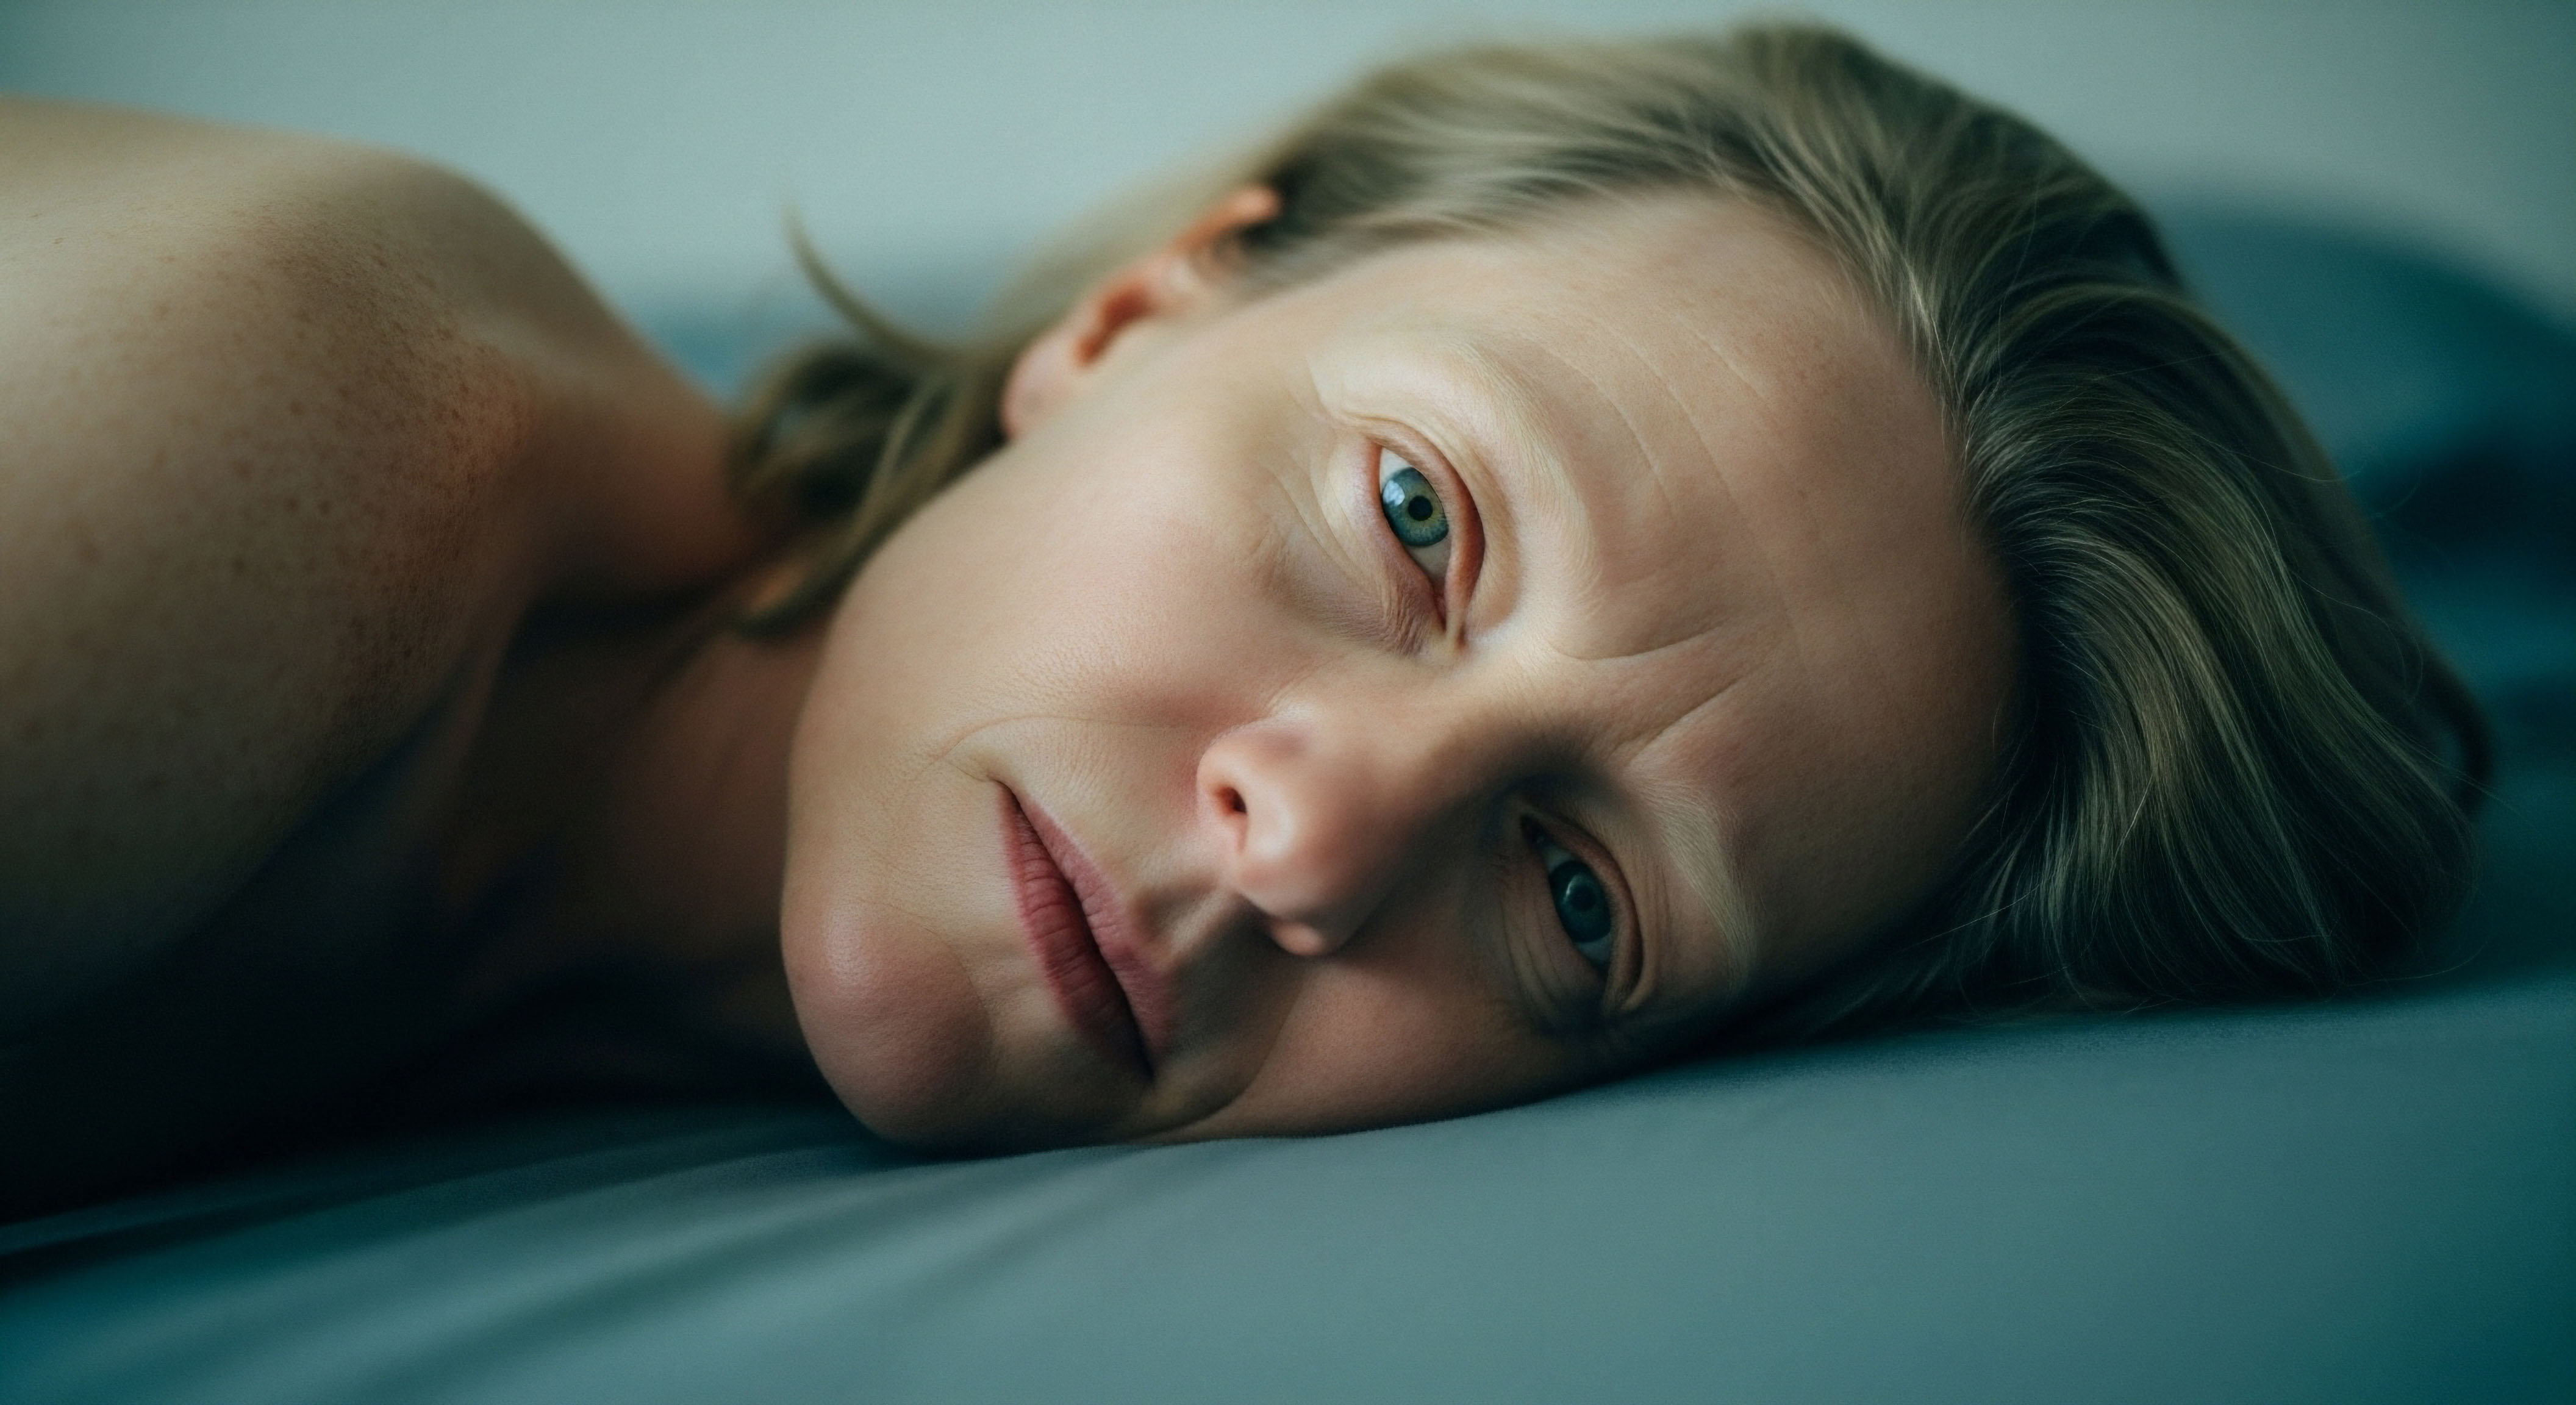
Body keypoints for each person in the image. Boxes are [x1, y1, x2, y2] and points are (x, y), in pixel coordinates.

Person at [0, 24, 2485, 1214]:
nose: (1311, 839)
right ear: (1142, 317)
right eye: (1419, 518)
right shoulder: (275, 430)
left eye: (1580, 889)